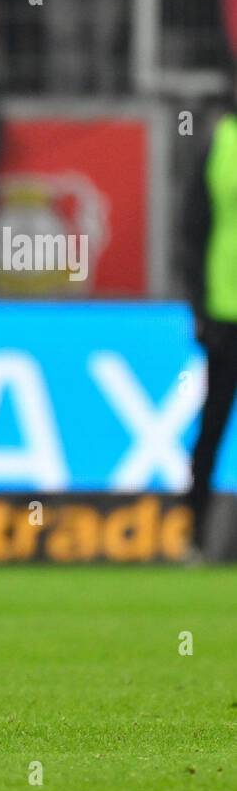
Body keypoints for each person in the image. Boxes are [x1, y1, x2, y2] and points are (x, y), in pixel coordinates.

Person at [182, 100, 237, 560]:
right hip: (226, 309)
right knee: (213, 424)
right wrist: (199, 306)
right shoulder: (219, 141)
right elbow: (192, 228)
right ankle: (195, 536)